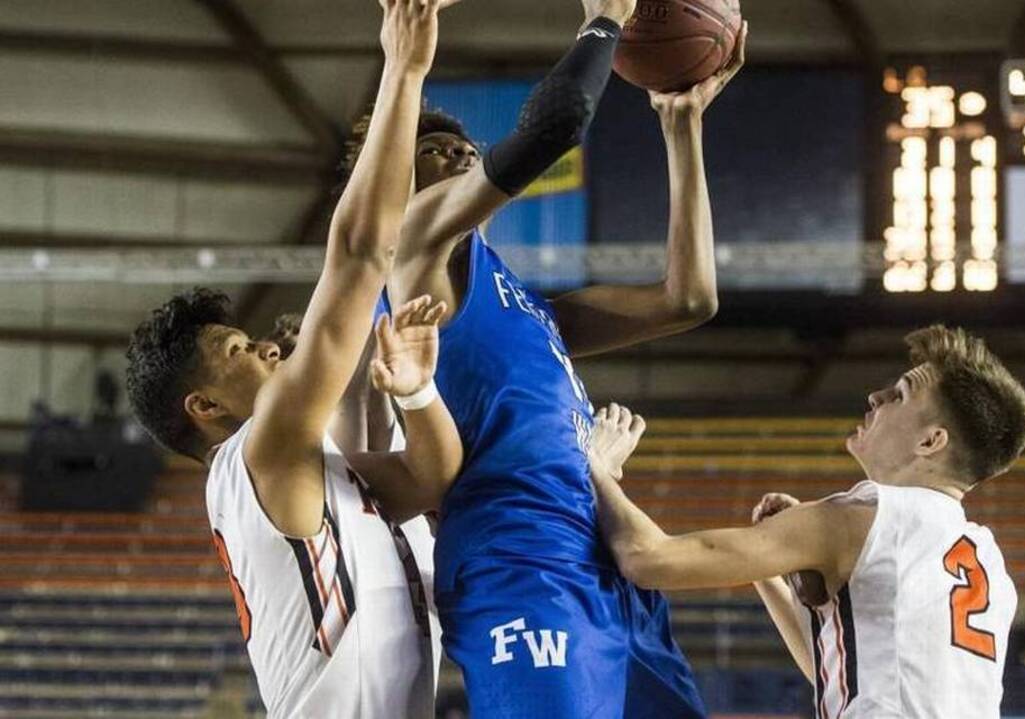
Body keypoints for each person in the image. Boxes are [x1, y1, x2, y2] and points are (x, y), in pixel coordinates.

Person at [334, 0, 749, 714]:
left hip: (603, 557)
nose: (460, 153)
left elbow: (689, 299)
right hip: (518, 563)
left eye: (465, 147)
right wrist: (606, 19)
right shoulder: (410, 243)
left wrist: (683, 131)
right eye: (434, 149)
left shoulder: (523, 303)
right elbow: (554, 125)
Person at [123, 0, 465, 715]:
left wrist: (416, 393)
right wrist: (403, 69)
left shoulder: (305, 465)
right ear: (206, 406)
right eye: (239, 349)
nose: (269, 346)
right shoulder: (258, 449)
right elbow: (359, 255)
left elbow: (429, 476)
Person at [585, 325, 1025, 719]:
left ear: (931, 441)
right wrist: (767, 573)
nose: (875, 397)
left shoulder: (860, 519)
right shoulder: (985, 559)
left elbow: (648, 559)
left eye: (900, 394)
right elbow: (835, 666)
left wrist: (597, 468)